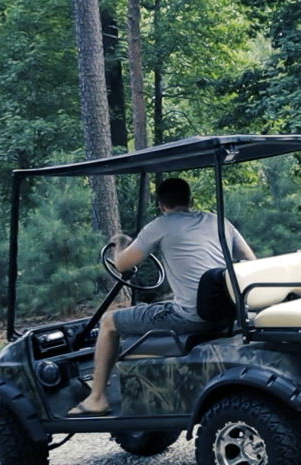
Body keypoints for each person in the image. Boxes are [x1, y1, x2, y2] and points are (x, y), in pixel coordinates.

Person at [69, 178, 256, 416]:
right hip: (230, 312)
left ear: (160, 205)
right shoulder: (219, 221)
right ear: (191, 200)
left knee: (108, 321)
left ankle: (96, 398)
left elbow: (121, 264)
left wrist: (121, 243)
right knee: (163, 304)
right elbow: (251, 262)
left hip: (192, 317)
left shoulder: (160, 226)